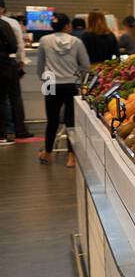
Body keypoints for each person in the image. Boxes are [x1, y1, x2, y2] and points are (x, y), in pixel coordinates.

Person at [36, 12, 88, 167]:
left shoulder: (44, 40)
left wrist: (44, 78)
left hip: (50, 83)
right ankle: (71, 158)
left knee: (52, 120)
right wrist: (78, 78)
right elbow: (85, 66)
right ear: (67, 25)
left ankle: (47, 153)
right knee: (71, 121)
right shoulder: (76, 41)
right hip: (71, 84)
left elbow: (40, 66)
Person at [0, 0, 31, 143]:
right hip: (9, 64)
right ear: (3, 8)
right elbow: (18, 45)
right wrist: (21, 62)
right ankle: (20, 130)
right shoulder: (11, 23)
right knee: (15, 97)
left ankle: (4, 132)